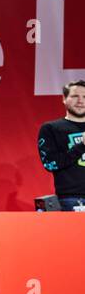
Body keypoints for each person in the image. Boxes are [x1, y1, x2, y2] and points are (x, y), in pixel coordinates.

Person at [37, 79, 85, 210]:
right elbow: (50, 164)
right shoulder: (51, 128)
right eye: (75, 96)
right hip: (73, 200)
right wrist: (82, 145)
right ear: (64, 98)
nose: (80, 101)